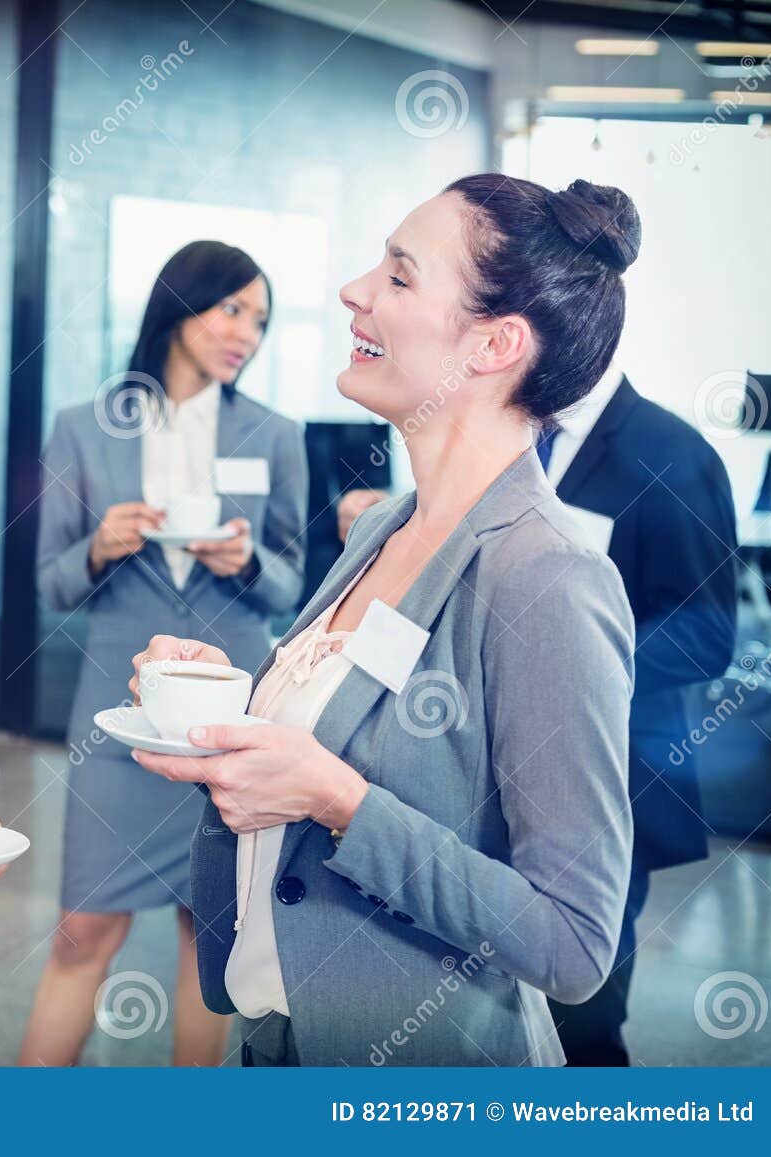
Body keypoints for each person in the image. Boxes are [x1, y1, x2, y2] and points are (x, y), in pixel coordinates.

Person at [130, 175, 641, 1066]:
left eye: (399, 277)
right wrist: (225, 699)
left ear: (494, 343)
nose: (354, 292)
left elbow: (572, 942)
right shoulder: (384, 526)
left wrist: (339, 801)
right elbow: (338, 733)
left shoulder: (547, 574)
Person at [21, 241, 307, 1066]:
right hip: (120, 713)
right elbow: (52, 582)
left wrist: (246, 560)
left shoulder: (275, 434)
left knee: (209, 942)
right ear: (181, 306)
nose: (245, 333)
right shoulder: (85, 426)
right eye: (231, 309)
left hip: (230, 716)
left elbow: (291, 585)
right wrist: (102, 547)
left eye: (259, 319)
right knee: (83, 931)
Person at [531, 363, 737, 1064]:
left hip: (612, 783)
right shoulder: (508, 434)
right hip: (501, 776)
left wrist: (579, 672)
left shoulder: (673, 453)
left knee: (581, 1024)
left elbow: (707, 634)